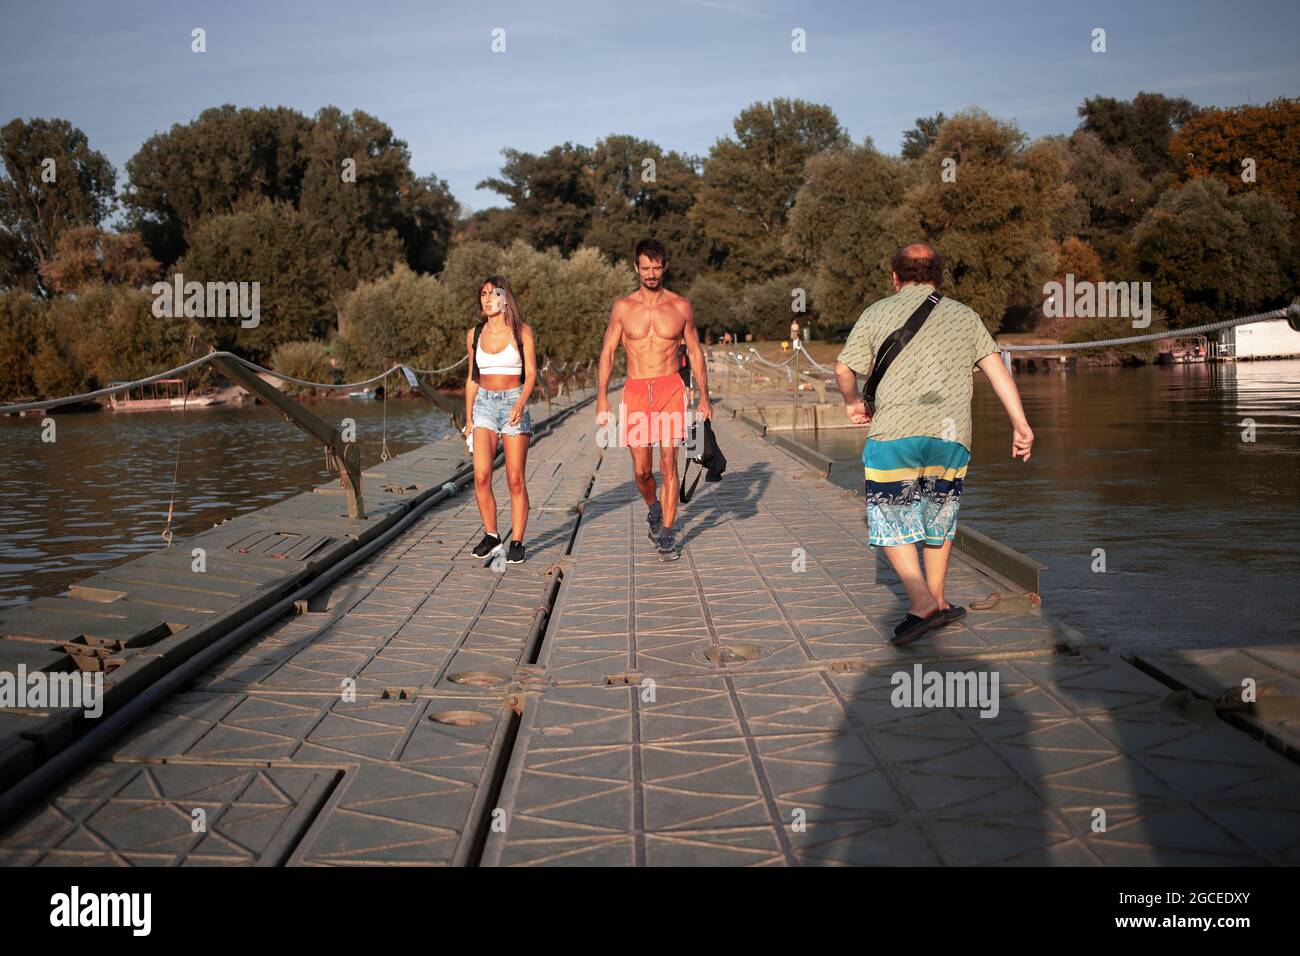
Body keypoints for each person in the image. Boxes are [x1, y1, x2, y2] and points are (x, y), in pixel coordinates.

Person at [834, 243, 1034, 646]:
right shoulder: (964, 316)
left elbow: (844, 368)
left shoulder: (876, 313)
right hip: (951, 437)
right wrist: (1021, 424)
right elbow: (997, 371)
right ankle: (939, 600)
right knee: (939, 516)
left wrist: (854, 404)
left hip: (894, 432)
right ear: (938, 277)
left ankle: (921, 601)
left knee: (892, 517)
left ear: (895, 277)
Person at [596, 238, 712, 561]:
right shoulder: (623, 307)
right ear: (636, 267)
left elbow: (696, 353)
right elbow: (607, 352)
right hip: (635, 390)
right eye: (645, 267)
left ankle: (667, 532)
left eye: (656, 267)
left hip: (670, 388)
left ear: (665, 267)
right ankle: (653, 508)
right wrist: (602, 397)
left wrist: (705, 398)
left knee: (668, 464)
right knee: (642, 471)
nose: (651, 273)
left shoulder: (680, 306)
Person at [462, 277, 538, 565]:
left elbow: (531, 373)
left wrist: (520, 403)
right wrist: (469, 418)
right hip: (484, 405)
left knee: (515, 478)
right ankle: (492, 535)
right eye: (483, 294)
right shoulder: (474, 334)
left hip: (512, 402)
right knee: (481, 475)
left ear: (506, 299)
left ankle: (517, 540)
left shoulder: (522, 332)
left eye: (494, 294)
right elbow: (472, 378)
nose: (487, 299)